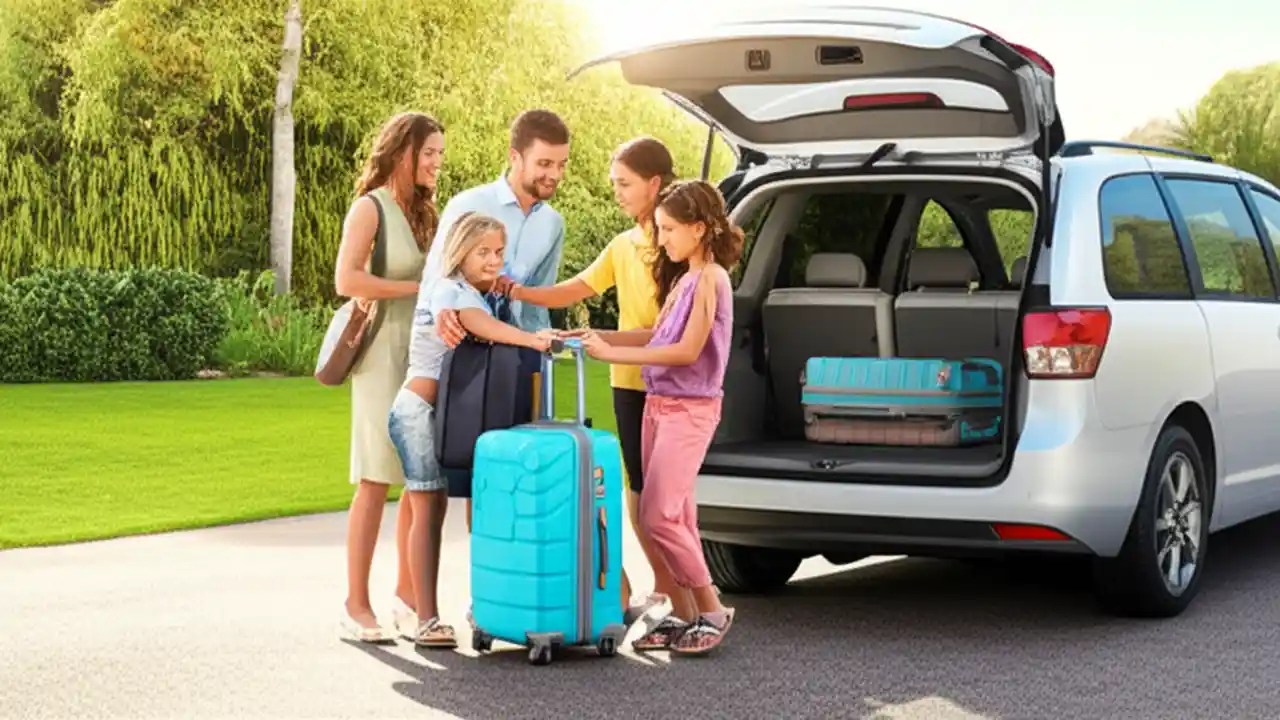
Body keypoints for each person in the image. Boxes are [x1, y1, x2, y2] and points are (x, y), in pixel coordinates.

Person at [503, 137, 684, 630]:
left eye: (624, 185)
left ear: (655, 183)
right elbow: (576, 287)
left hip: (672, 386)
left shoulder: (678, 244)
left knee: (663, 498)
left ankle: (680, 594)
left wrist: (599, 335)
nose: (618, 194)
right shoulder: (623, 246)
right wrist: (515, 289)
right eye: (614, 185)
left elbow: (673, 332)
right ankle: (664, 590)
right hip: (627, 382)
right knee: (637, 488)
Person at [574, 179, 743, 656]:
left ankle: (711, 610)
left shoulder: (712, 278)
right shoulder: (686, 278)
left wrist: (609, 355)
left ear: (700, 228)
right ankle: (686, 615)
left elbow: (688, 350)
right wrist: (599, 335)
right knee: (677, 514)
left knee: (658, 514)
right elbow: (655, 333)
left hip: (689, 410)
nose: (662, 238)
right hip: (659, 406)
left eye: (669, 229)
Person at [387, 211, 556, 647]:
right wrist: (530, 339)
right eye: (482, 252)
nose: (493, 260)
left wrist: (506, 290)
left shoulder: (481, 292)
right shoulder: (449, 289)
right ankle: (426, 618)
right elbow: (478, 326)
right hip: (418, 413)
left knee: (476, 507)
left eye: (498, 252)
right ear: (459, 253)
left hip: (452, 419)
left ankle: (485, 606)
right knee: (430, 510)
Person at [415, 109, 571, 523]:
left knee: (506, 474)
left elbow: (537, 301)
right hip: (462, 353)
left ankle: (499, 575)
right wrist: (443, 309)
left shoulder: (553, 224)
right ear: (515, 157)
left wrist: (541, 357)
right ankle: (419, 586)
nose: (553, 174)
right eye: (544, 163)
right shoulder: (470, 204)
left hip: (517, 359)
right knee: (440, 474)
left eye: (560, 165)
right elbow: (437, 275)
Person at [334, 112, 443, 643]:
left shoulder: (424, 212)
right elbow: (346, 278)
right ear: (404, 152)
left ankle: (406, 596)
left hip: (421, 355)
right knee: (376, 478)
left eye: (440, 155)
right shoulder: (370, 208)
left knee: (417, 476)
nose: (437, 163)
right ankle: (356, 604)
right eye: (430, 153)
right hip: (380, 354)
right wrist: (414, 291)